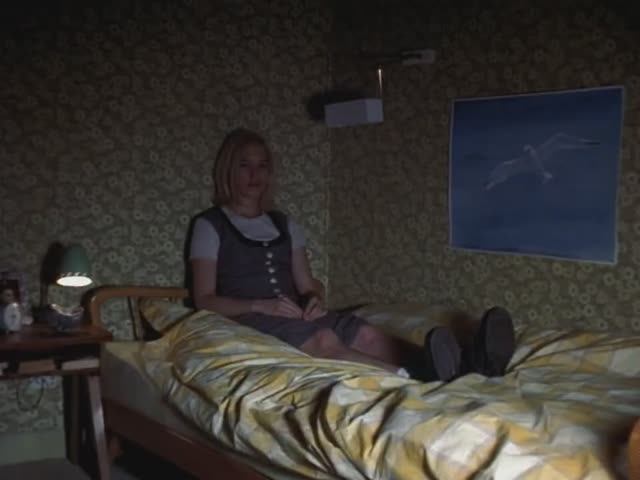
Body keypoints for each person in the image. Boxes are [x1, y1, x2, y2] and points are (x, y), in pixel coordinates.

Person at [189, 128, 515, 382]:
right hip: (251, 319)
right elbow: (204, 299)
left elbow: (308, 284)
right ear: (228, 170)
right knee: (324, 340)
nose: (255, 174)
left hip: (296, 314)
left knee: (367, 333)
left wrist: (314, 300)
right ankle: (418, 381)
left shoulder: (284, 224)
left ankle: (471, 364)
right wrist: (260, 305)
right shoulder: (209, 225)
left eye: (262, 165)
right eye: (244, 165)